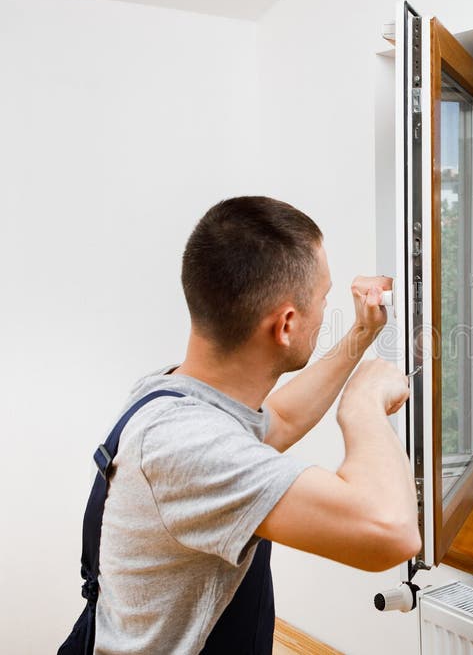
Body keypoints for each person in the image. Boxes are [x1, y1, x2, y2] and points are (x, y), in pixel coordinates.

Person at [93, 196, 420, 653]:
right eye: (324, 298)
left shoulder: (179, 396)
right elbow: (391, 530)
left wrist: (362, 334)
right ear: (286, 324)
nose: (327, 308)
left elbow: (278, 420)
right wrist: (362, 404)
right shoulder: (186, 447)